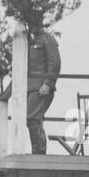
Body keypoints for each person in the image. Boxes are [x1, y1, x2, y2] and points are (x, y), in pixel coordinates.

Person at [25, 11, 60, 155]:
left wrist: (47, 83)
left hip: (41, 88)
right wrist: (5, 95)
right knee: (33, 119)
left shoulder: (47, 39)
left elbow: (55, 62)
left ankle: (38, 153)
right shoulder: (28, 41)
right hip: (29, 88)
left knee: (32, 118)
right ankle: (38, 152)